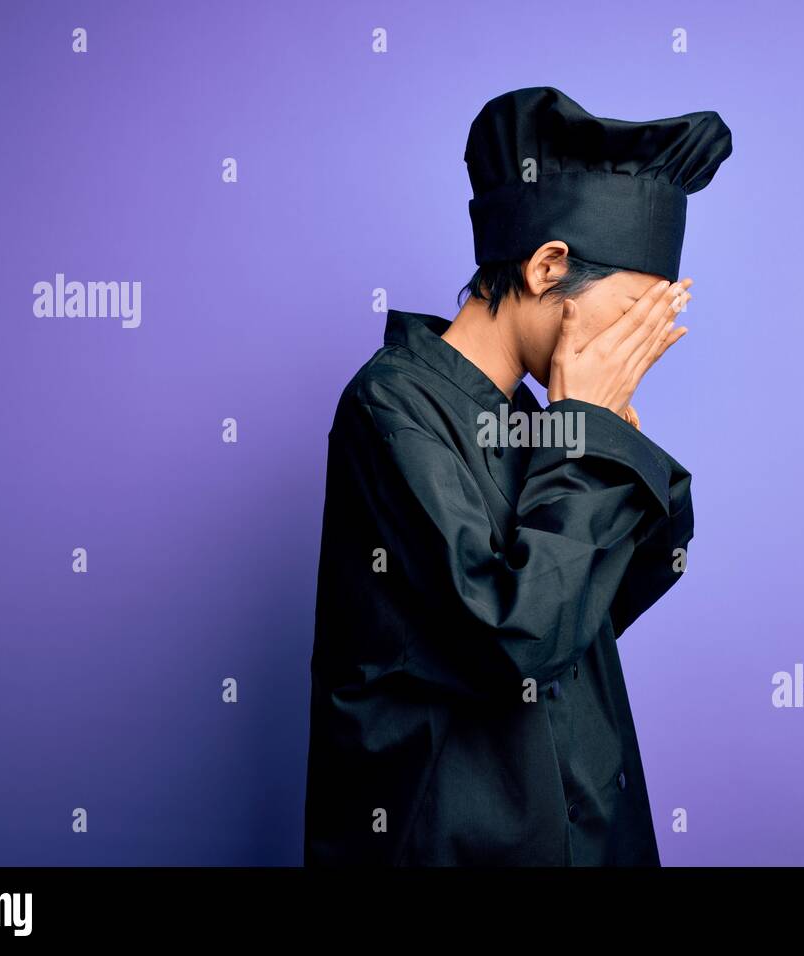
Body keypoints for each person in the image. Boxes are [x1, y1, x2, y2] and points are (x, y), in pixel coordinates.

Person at [304, 86, 732, 865]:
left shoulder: (544, 419)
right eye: (633, 312)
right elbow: (514, 637)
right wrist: (592, 447)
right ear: (547, 267)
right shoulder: (392, 406)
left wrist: (599, 439)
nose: (643, 346)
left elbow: (594, 612)